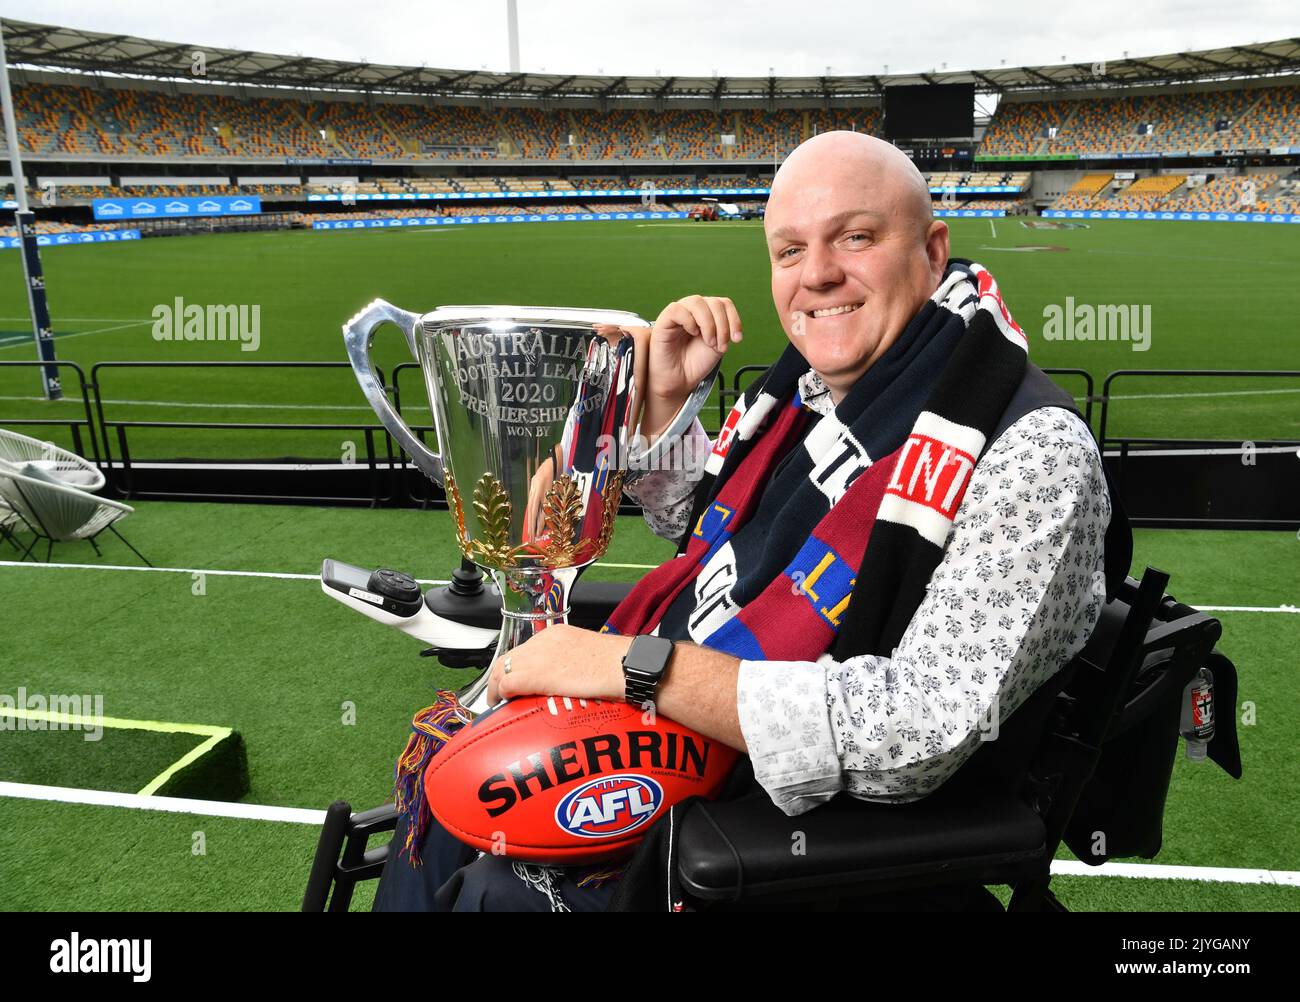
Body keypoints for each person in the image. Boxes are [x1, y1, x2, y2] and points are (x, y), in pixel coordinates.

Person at [373, 131, 1125, 911]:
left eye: (856, 237)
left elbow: (916, 732)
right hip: (708, 777)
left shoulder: (1030, 448)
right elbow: (726, 555)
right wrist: (659, 408)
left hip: (814, 854)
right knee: (451, 781)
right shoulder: (812, 398)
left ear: (933, 252)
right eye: (790, 250)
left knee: (500, 884)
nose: (818, 275)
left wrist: (638, 666)